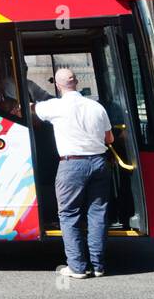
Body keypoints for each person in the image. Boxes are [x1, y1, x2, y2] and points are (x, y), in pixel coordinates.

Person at [33, 67, 114, 279]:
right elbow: (110, 139)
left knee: (69, 215)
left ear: (58, 86)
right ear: (76, 82)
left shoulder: (55, 106)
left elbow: (33, 110)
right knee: (97, 214)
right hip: (99, 162)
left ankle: (77, 267)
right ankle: (98, 266)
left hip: (71, 165)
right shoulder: (96, 107)